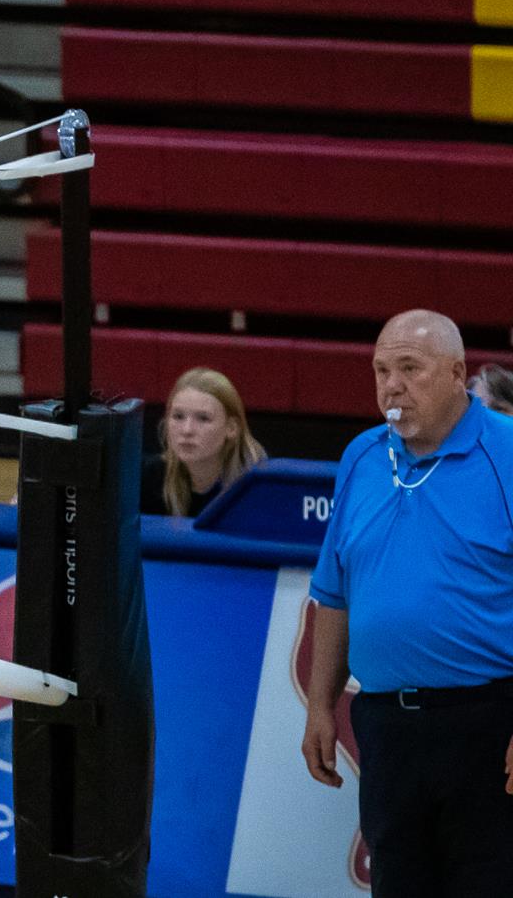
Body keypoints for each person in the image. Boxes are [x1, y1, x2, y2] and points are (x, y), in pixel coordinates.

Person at [300, 309, 513, 895]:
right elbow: (334, 591)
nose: (391, 385)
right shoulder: (362, 456)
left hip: (487, 723)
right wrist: (320, 704)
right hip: (387, 726)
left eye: (409, 369)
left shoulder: (508, 454)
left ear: (455, 373)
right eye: (380, 370)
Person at [141, 368, 267, 517]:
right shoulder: (147, 478)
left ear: (231, 428)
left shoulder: (259, 485)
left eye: (203, 418)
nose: (187, 430)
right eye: (178, 416)